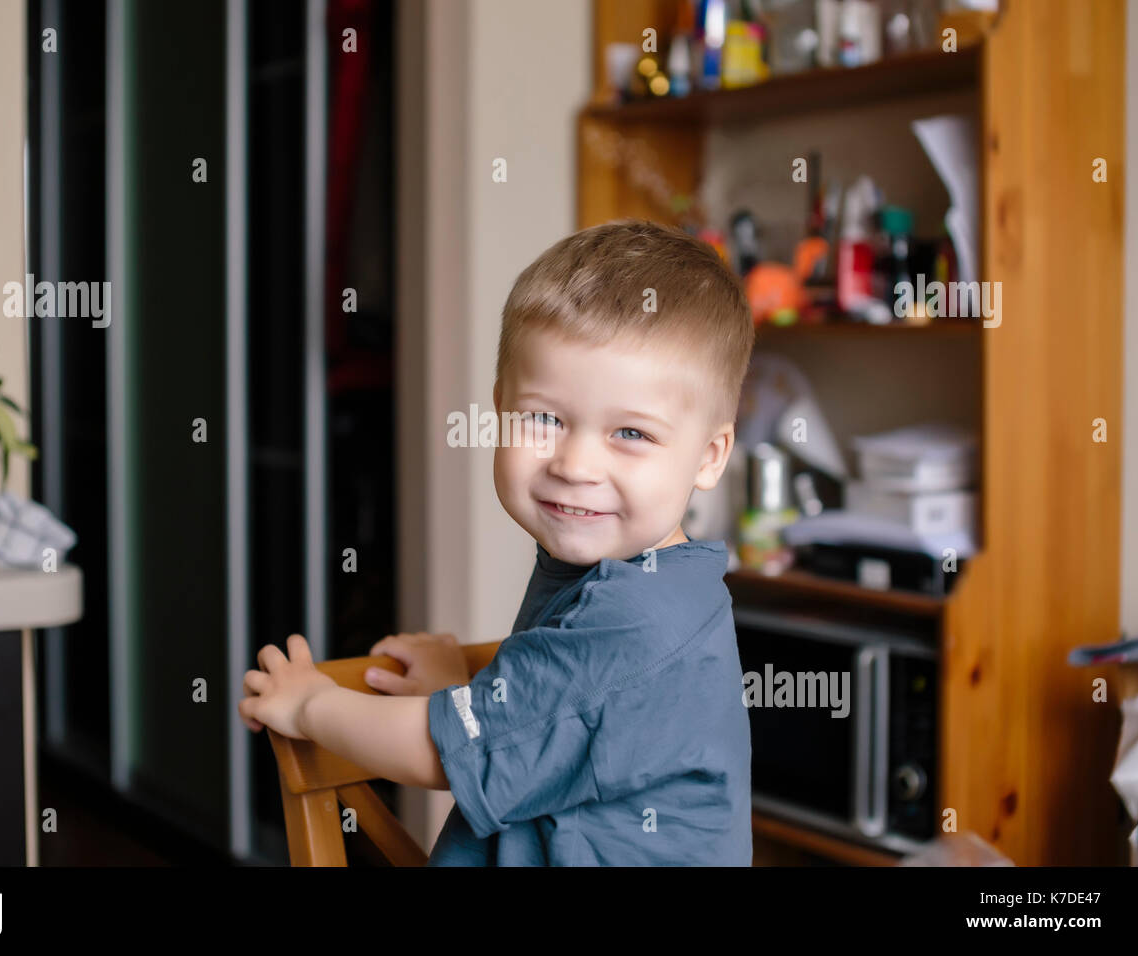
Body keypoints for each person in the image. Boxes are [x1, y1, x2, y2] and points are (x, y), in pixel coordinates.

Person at [239, 218, 756, 865]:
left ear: (709, 457)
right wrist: (471, 693)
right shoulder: (643, 578)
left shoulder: (637, 623)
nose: (575, 464)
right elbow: (559, 718)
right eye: (544, 418)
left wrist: (313, 706)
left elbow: (437, 756)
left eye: (630, 434)